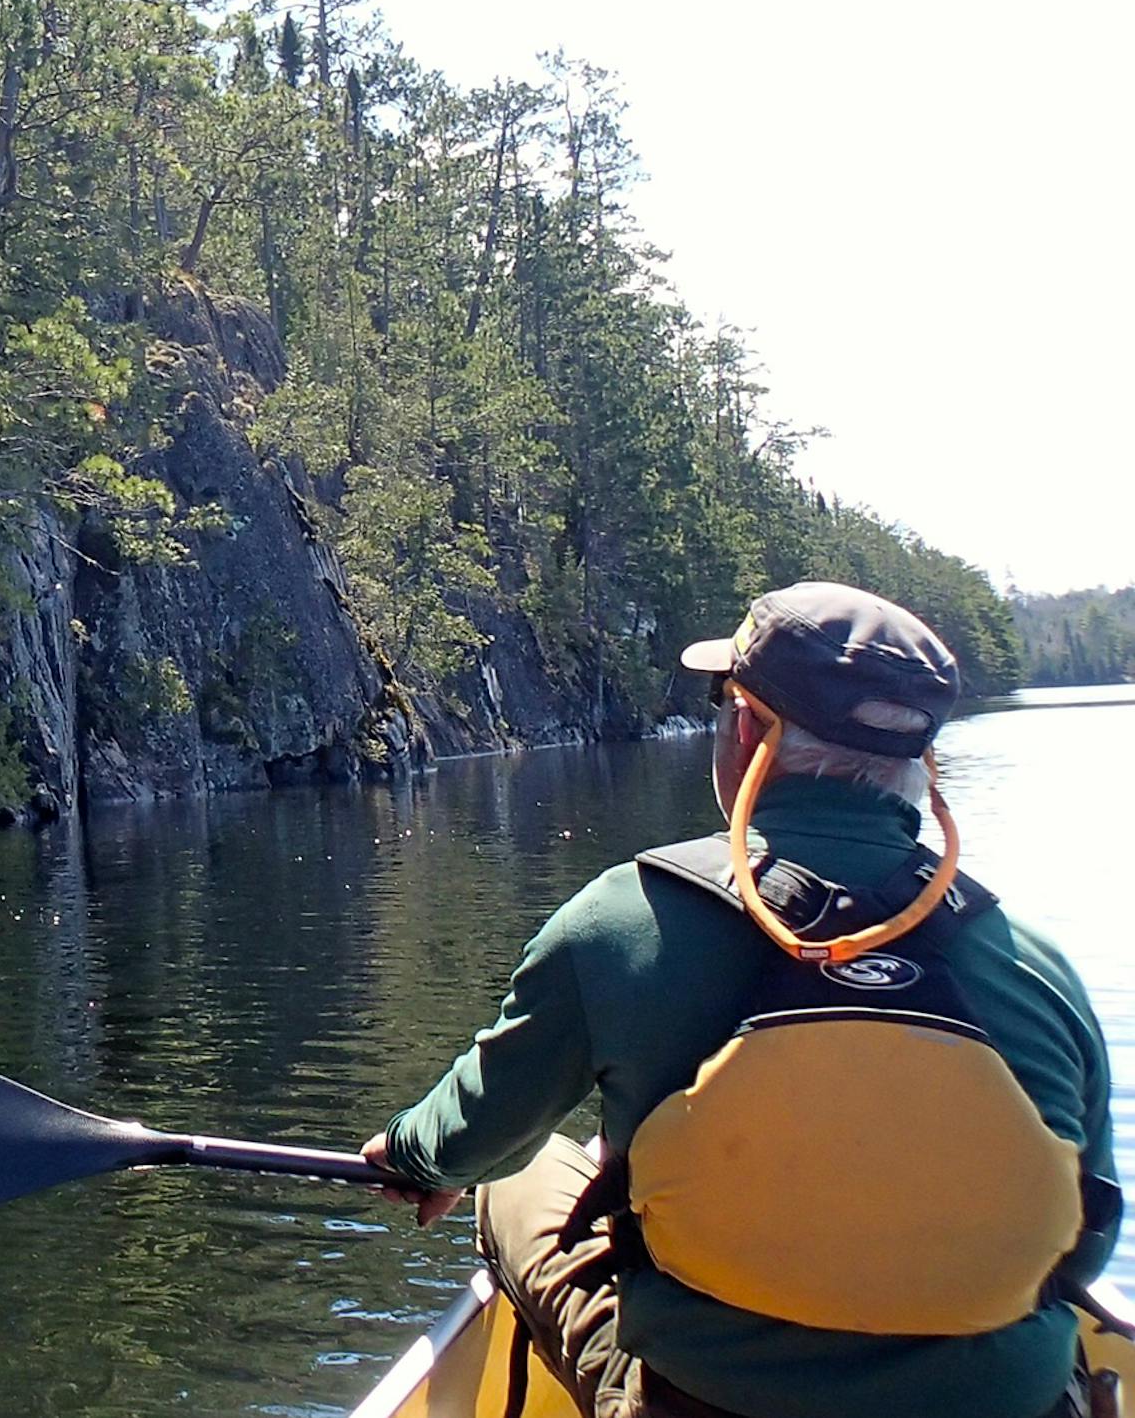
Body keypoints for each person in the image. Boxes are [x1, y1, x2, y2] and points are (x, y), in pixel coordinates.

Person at [362, 580, 1121, 1418]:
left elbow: (471, 1137)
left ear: (749, 731)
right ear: (917, 764)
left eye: (727, 702)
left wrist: (416, 1158)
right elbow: (1084, 1248)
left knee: (525, 1172)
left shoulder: (623, 918)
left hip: (708, 1404)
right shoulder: (1037, 968)